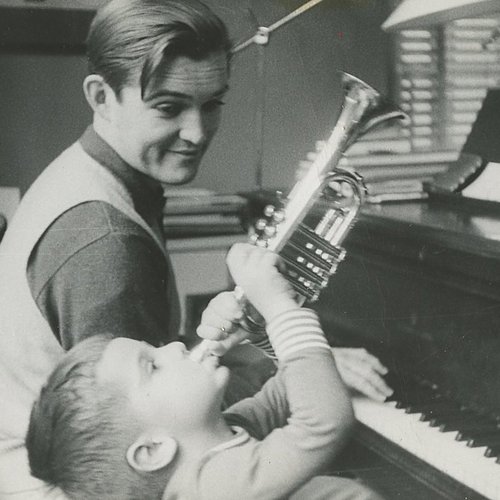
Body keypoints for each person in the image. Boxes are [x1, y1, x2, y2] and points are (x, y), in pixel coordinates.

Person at [0, 0, 390, 496]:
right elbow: (158, 430)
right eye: (169, 107)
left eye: (212, 104)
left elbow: (175, 395)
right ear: (101, 97)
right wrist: (298, 349)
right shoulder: (105, 242)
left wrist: (281, 356)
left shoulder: (86, 176)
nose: (197, 132)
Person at [26, 243, 382, 500]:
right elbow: (322, 423)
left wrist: (256, 329)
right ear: (153, 449)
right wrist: (278, 307)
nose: (174, 347)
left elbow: (285, 394)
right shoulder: (212, 489)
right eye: (153, 365)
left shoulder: (220, 435)